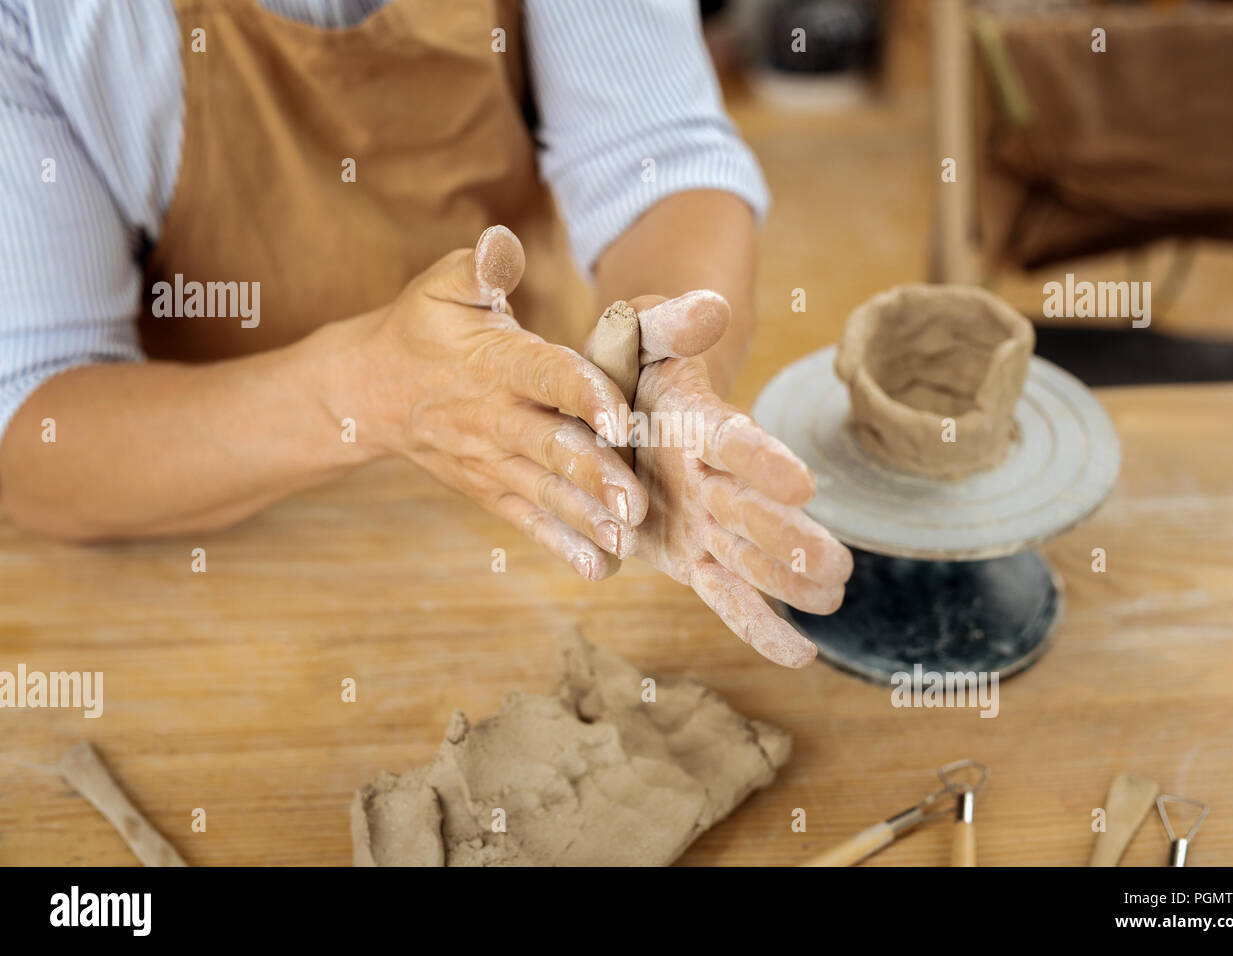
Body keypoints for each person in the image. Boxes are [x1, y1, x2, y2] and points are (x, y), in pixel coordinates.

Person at [0, 0, 850, 667]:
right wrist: (364, 393)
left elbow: (658, 158)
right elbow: (34, 418)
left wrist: (649, 378)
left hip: (545, 477)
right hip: (210, 528)